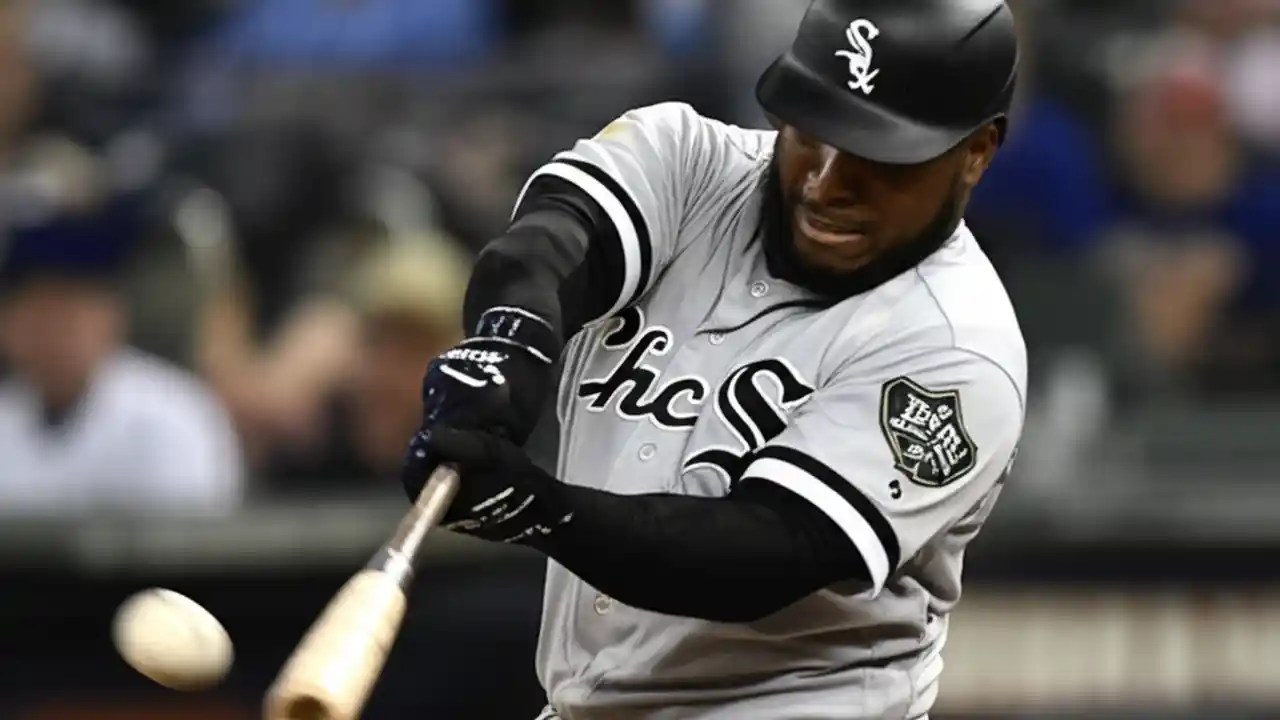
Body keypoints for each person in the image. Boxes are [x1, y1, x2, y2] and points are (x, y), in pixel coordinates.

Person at [398, 1, 1026, 718]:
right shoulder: (690, 159)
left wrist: (544, 512)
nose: (825, 181)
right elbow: (547, 246)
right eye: (812, 130)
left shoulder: (958, 345)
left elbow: (764, 555)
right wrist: (511, 343)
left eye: (876, 156)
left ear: (976, 151)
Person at [0, 194, 245, 517]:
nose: (56, 331)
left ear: (112, 316)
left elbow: (188, 558)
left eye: (73, 310)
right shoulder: (8, 413)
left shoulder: (174, 415)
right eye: (40, 312)